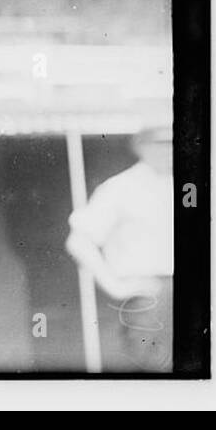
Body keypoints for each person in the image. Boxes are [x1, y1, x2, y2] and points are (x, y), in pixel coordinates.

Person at [65, 124, 174, 372]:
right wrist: (114, 286)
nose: (168, 150)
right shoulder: (121, 188)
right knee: (156, 371)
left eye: (174, 143)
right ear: (140, 147)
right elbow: (79, 241)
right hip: (149, 293)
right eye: (160, 143)